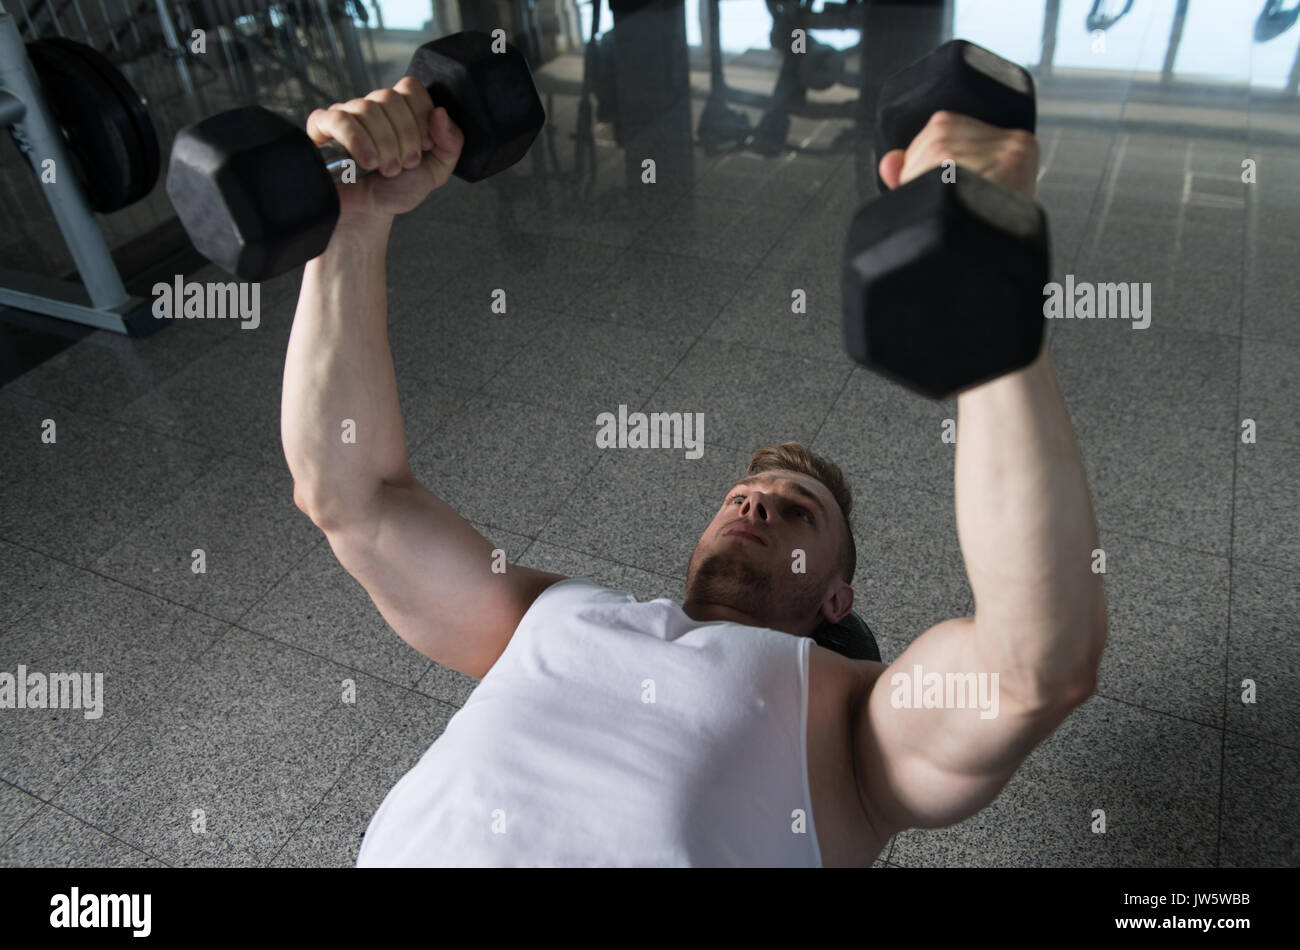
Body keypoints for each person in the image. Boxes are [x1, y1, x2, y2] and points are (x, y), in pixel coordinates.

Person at [282, 79, 1108, 867]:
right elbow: (352, 497)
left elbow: (1032, 663)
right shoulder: (548, 614)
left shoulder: (850, 723)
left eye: (797, 514)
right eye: (744, 495)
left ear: (835, 599)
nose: (756, 505)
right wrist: (352, 227)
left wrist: (986, 287)